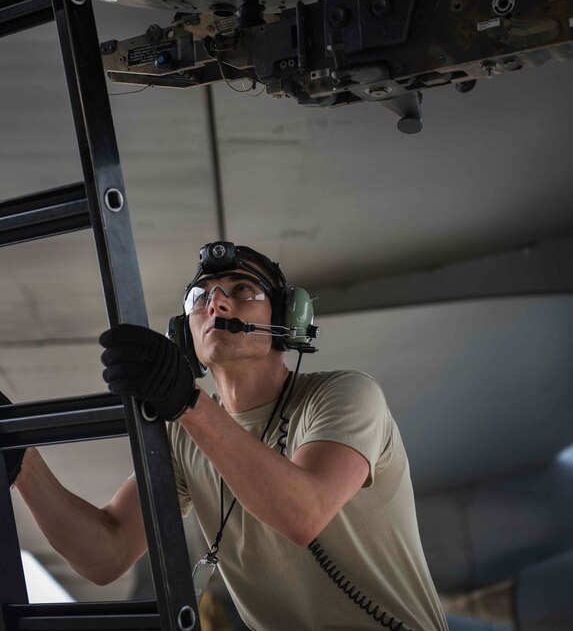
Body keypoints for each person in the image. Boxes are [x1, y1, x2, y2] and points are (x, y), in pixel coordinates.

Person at [13, 241, 447, 631]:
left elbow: (303, 513)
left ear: (286, 319)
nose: (217, 302)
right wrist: (19, 461)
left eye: (243, 290)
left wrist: (187, 403)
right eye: (200, 297)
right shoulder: (184, 433)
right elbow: (107, 554)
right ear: (185, 332)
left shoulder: (346, 395)